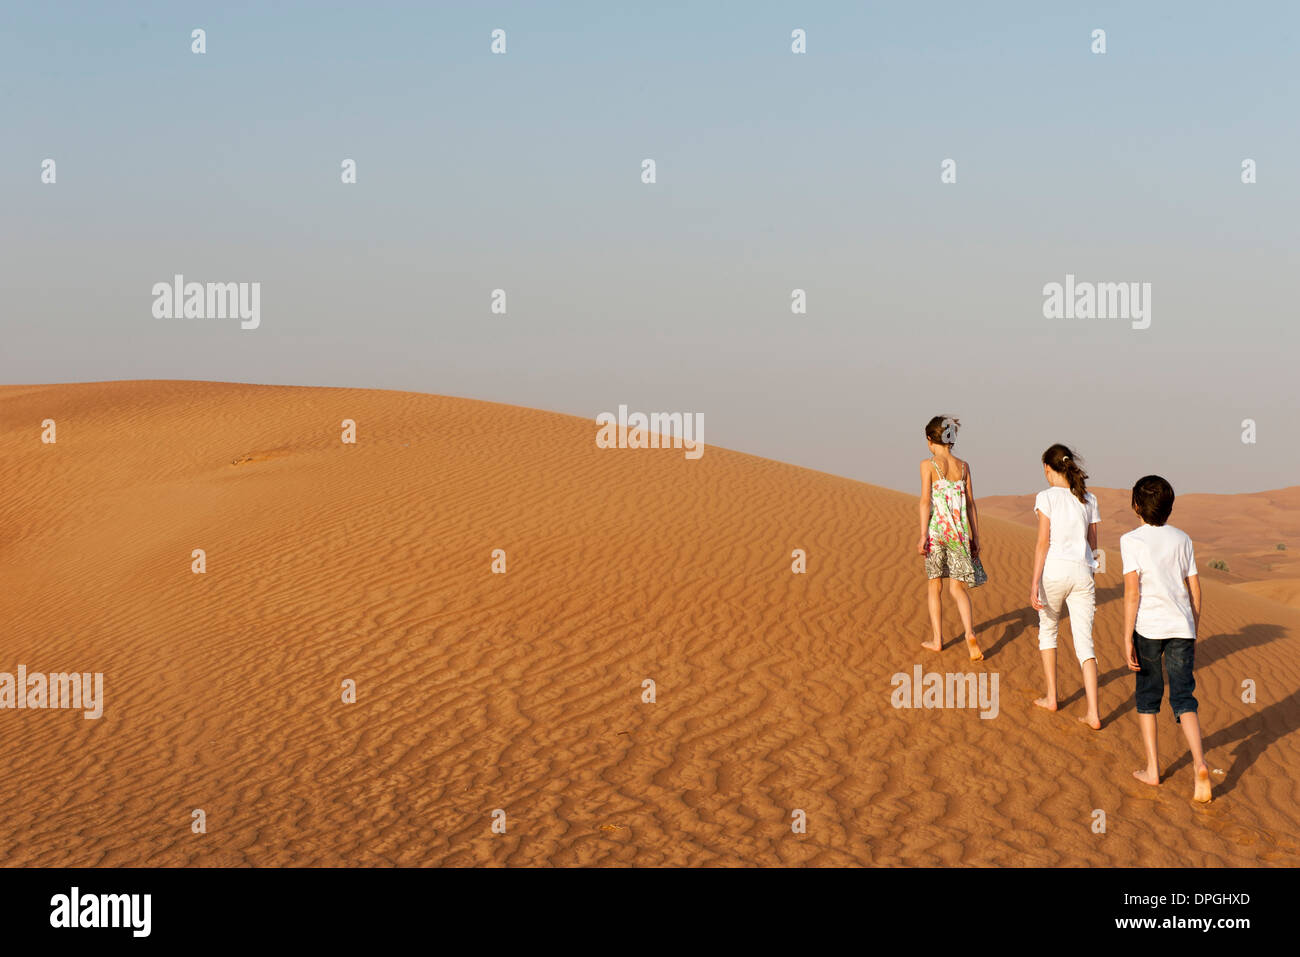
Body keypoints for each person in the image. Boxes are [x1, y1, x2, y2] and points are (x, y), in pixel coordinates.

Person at [1120, 475, 1212, 803]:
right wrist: (1194, 628)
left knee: (1148, 697)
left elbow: (1132, 593)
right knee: (1184, 697)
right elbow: (1195, 589)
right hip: (1182, 628)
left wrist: (1126, 635)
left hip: (1148, 628)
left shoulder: (1131, 541)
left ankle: (1153, 768)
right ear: (1169, 507)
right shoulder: (1182, 539)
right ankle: (1200, 763)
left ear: (1136, 507)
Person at [1030, 444, 1102, 728]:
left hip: (1055, 571)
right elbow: (1094, 543)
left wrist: (1034, 582)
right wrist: (1093, 573)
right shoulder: (1088, 497)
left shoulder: (1046, 497)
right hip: (1083, 573)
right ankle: (1094, 713)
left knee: (1048, 631)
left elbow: (1042, 543)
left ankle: (1052, 697)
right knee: (1085, 643)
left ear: (1049, 469)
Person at [917, 415, 987, 660]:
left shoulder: (928, 465)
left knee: (934, 585)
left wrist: (923, 534)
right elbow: (970, 504)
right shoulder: (964, 466)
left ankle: (938, 640)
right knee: (957, 588)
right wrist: (975, 536)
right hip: (959, 533)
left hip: (937, 533)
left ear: (930, 439)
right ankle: (969, 633)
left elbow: (926, 501)